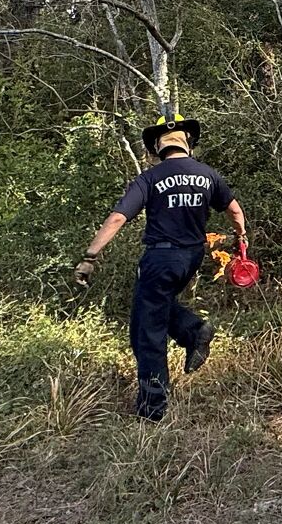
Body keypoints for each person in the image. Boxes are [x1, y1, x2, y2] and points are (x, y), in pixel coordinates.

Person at [76, 113, 245, 421]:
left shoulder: (149, 178)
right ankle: (193, 330)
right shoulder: (208, 174)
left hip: (160, 258)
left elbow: (117, 218)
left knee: (147, 329)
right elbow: (234, 210)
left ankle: (153, 407)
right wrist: (241, 238)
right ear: (188, 142)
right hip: (191, 258)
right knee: (155, 307)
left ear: (157, 146)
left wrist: (90, 257)